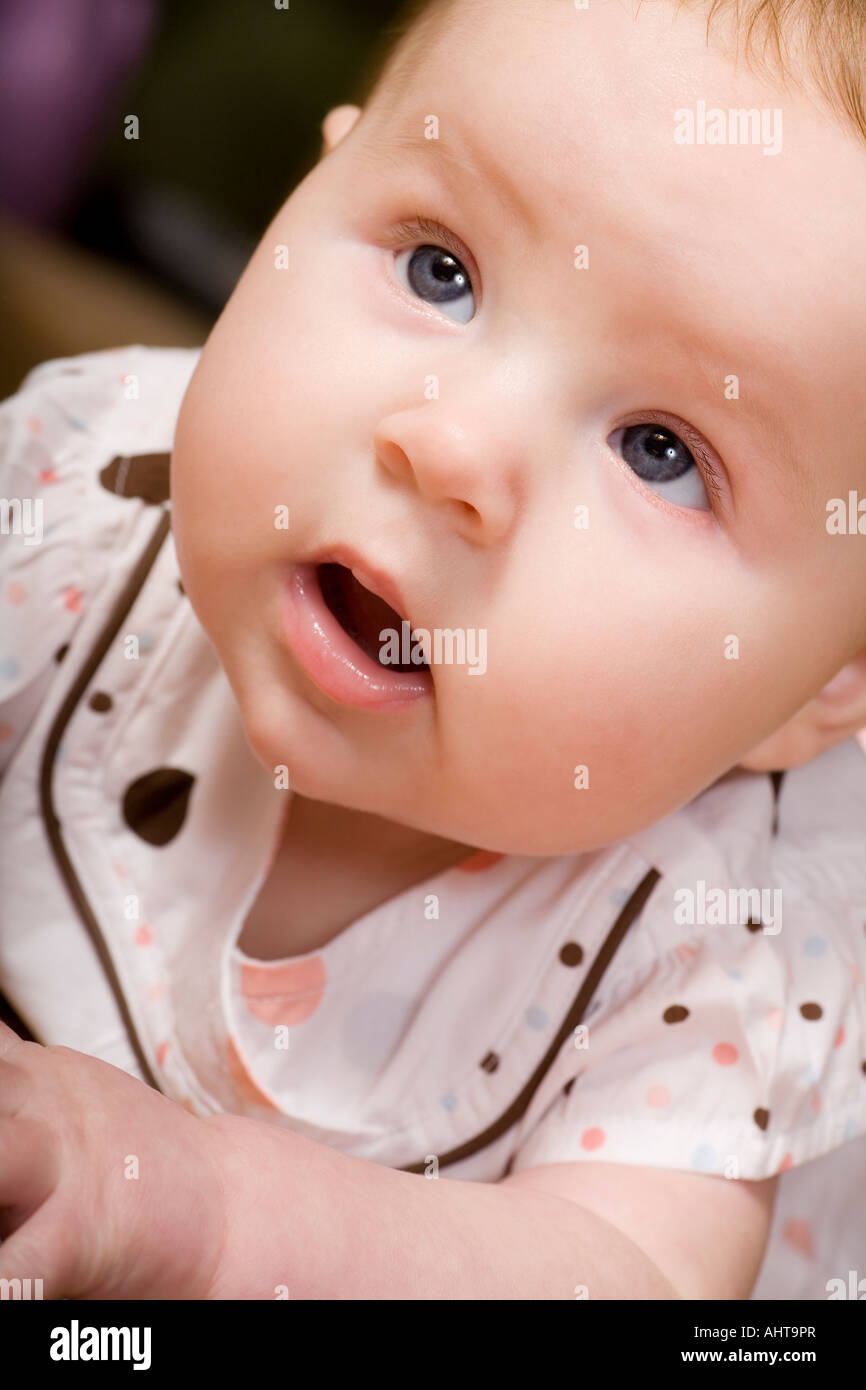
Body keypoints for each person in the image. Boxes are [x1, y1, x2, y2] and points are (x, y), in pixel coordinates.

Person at [0, 0, 865, 1299]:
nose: (450, 447)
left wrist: (210, 1214)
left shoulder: (704, 954)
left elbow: (619, 1273)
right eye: (437, 269)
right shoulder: (84, 493)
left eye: (661, 453)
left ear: (824, 687)